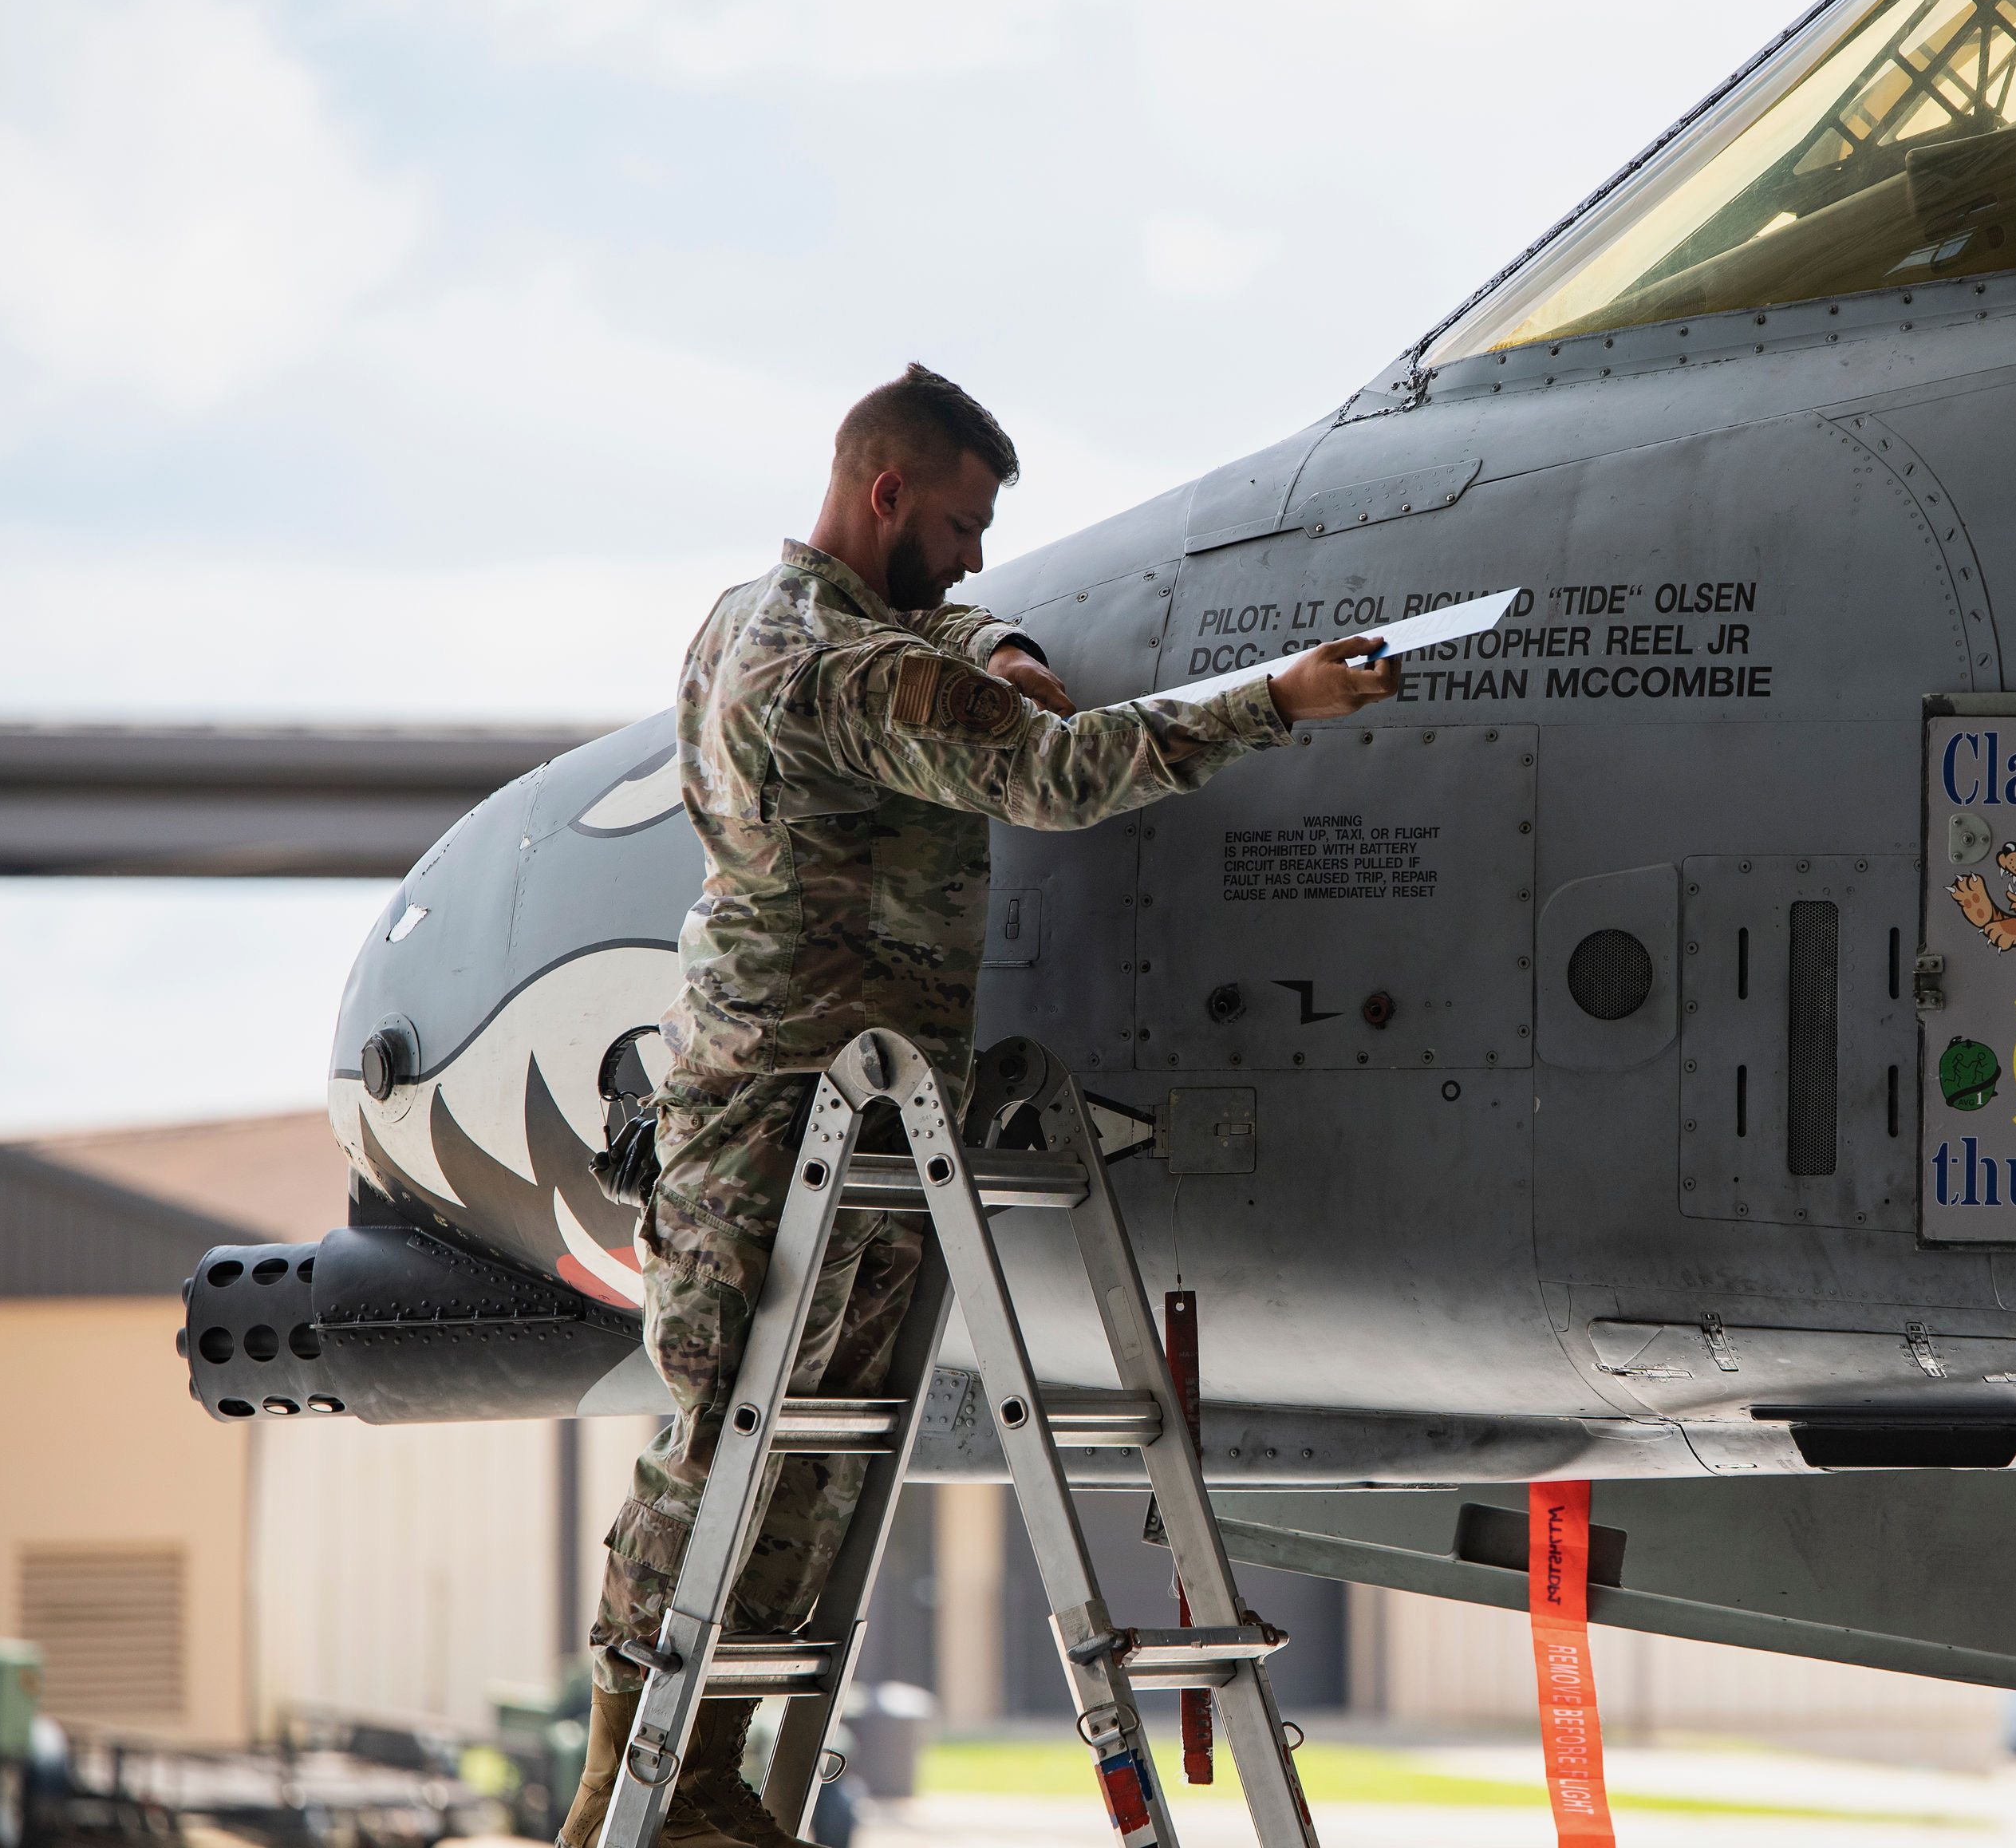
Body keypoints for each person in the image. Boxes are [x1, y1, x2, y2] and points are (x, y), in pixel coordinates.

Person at [558, 365, 1398, 1848]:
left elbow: (941, 640)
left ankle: (688, 1774)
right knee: (727, 1447)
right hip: (789, 1118)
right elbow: (1062, 778)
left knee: (781, 1452)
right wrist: (1286, 699)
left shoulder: (751, 620)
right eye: (956, 527)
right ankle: (632, 1783)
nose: (973, 558)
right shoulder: (846, 674)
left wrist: (992, 638)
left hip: (805, 1104)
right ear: (886, 493)